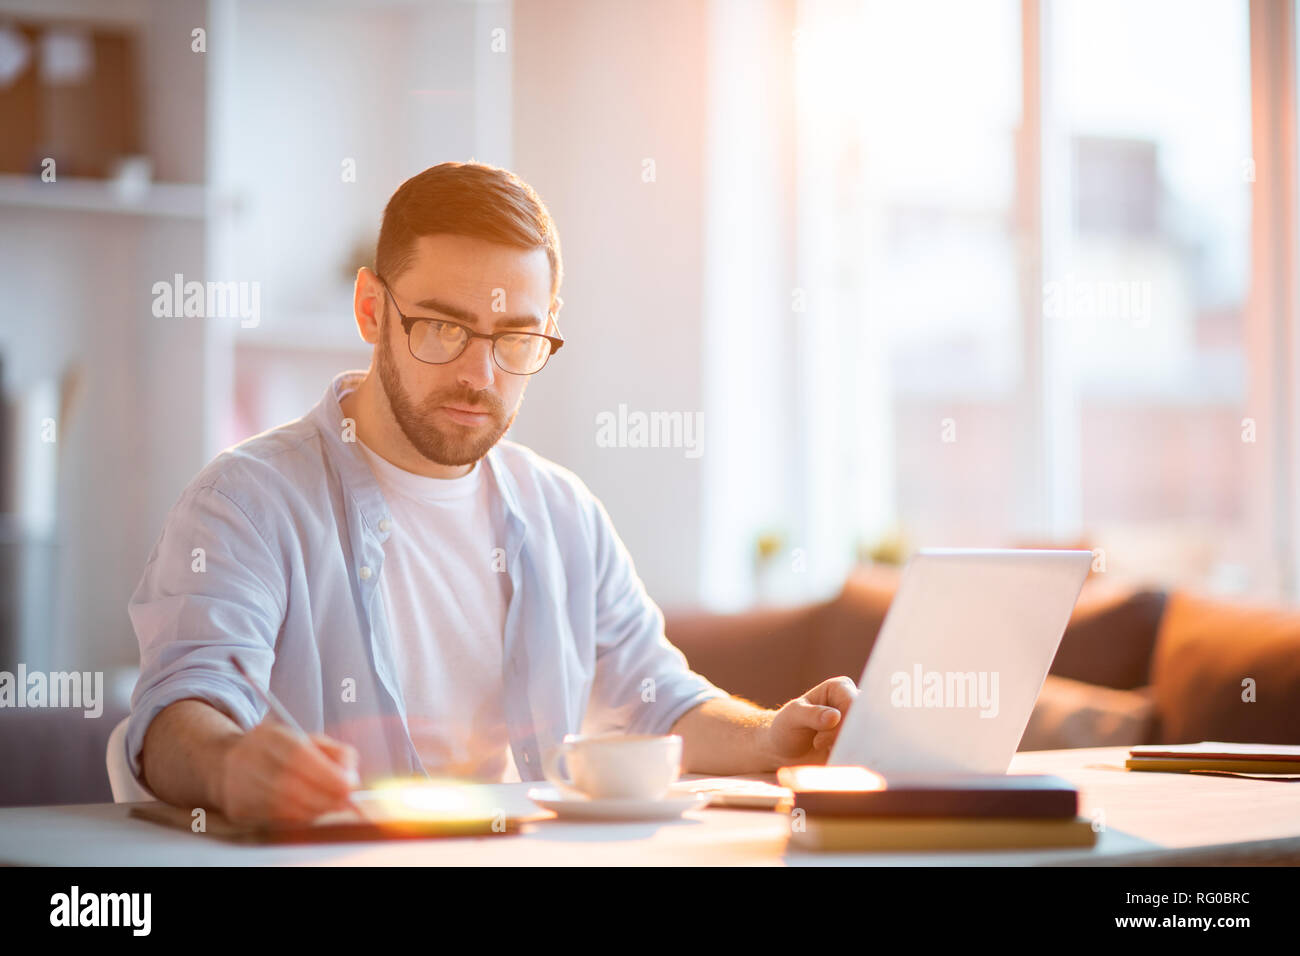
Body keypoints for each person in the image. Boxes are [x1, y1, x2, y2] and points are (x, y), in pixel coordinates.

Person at [127, 161, 858, 823]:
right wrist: (230, 765)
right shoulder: (247, 503)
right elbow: (175, 716)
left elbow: (661, 702)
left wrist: (771, 735)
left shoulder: (562, 513)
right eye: (443, 327)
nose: (479, 376)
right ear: (372, 310)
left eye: (514, 338)